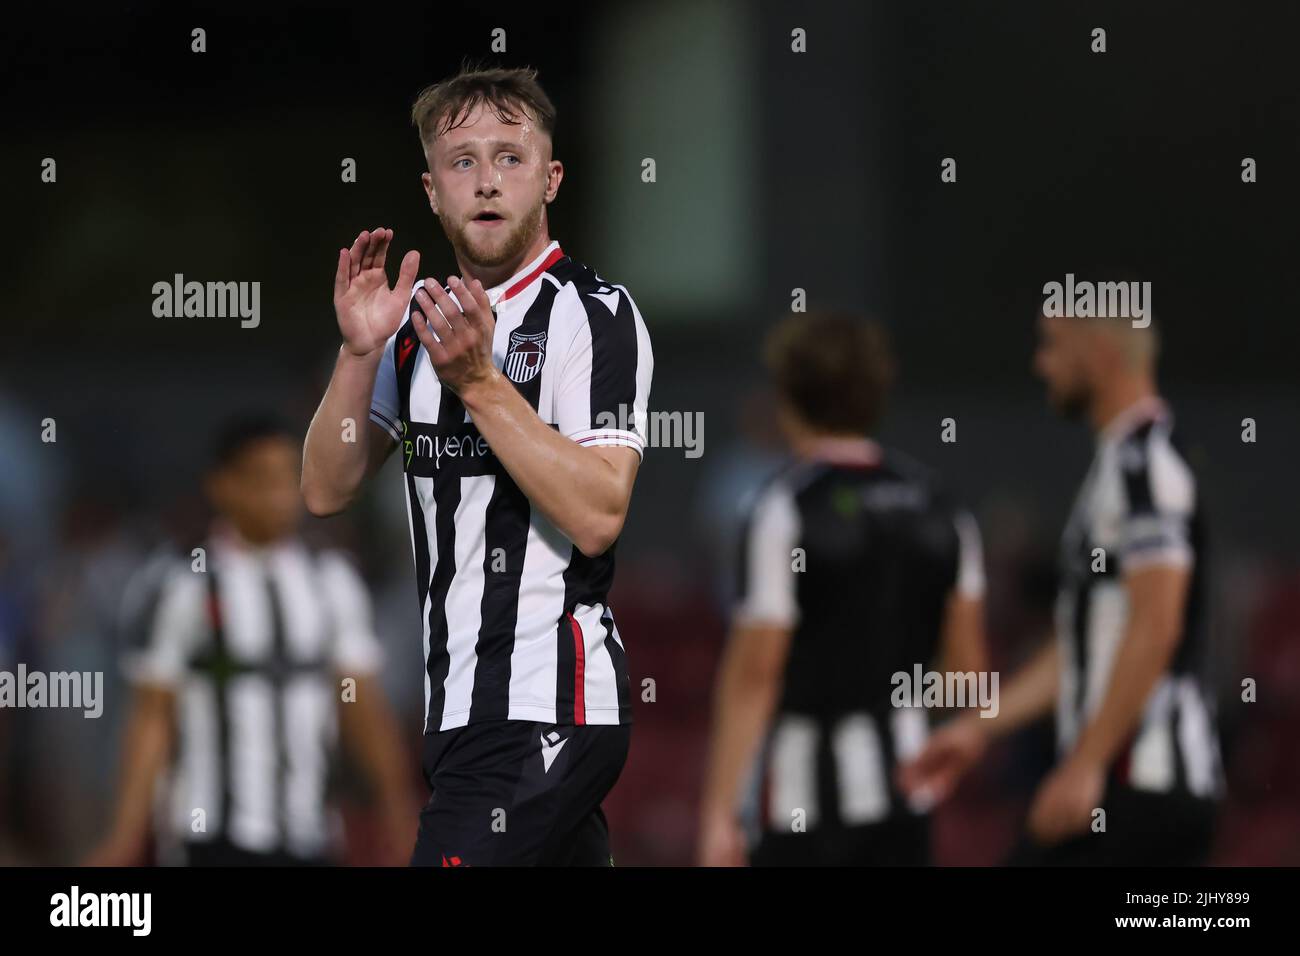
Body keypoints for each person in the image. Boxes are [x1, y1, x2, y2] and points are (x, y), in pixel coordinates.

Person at [301, 65, 653, 866]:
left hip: (545, 707)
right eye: (463, 162)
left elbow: (600, 513)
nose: (487, 181)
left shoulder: (591, 315)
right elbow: (325, 488)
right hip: (456, 710)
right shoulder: (414, 323)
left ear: (551, 178)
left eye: (510, 158)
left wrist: (479, 383)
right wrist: (360, 353)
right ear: (431, 190)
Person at [899, 306, 1223, 865]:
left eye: (1051, 345)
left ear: (1098, 353)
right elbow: (1087, 646)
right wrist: (978, 728)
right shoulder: (1117, 468)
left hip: (1139, 783)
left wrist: (1087, 763)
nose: (1041, 364)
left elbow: (1157, 623)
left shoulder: (1144, 467)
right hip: (1132, 786)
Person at [698, 313, 988, 865]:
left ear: (787, 395)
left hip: (800, 805)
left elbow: (754, 675)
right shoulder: (942, 506)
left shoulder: (782, 508)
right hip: (905, 797)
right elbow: (967, 678)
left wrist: (720, 816)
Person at [88, 414, 416, 866]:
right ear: (222, 486)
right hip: (210, 838)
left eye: (288, 478)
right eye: (262, 480)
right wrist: (124, 837)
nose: (280, 496)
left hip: (310, 837)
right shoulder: (181, 582)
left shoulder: (330, 579)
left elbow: (363, 709)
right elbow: (152, 718)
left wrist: (397, 810)